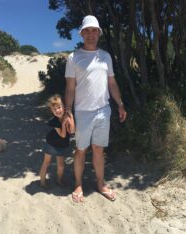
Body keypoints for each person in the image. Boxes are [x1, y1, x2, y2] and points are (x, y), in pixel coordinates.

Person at [64, 15, 127, 203]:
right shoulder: (73, 58)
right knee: (81, 149)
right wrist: (68, 111)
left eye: (94, 31)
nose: (91, 34)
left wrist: (120, 103)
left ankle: (100, 184)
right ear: (82, 33)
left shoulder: (105, 56)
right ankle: (78, 184)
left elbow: (112, 82)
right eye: (87, 31)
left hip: (103, 110)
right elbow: (70, 87)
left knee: (98, 149)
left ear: (98, 33)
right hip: (82, 112)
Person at [38, 95, 75, 189]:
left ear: (63, 106)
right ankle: (42, 181)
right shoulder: (54, 121)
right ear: (52, 111)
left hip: (62, 145)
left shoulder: (67, 116)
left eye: (59, 107)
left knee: (61, 166)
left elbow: (72, 131)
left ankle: (59, 180)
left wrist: (71, 117)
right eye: (54, 109)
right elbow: (62, 135)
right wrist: (63, 123)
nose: (57, 110)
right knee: (46, 162)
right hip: (51, 143)